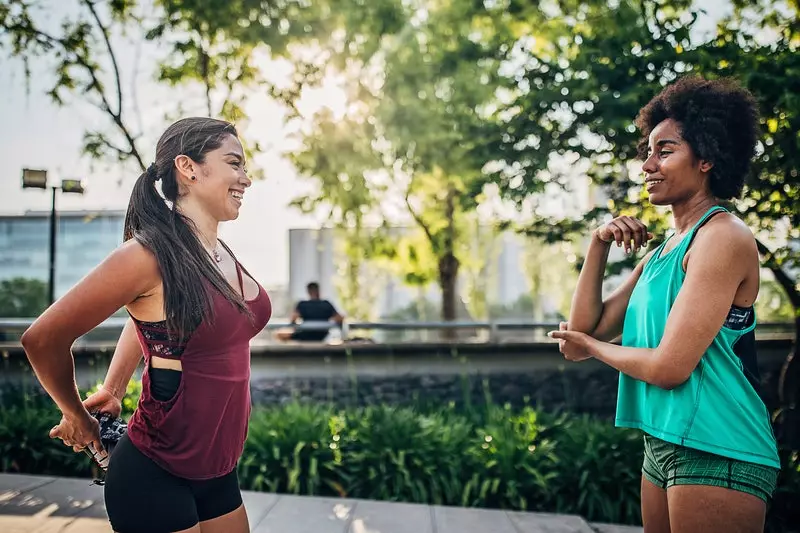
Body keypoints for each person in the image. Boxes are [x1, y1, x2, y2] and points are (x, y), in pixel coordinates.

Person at [548, 76, 780, 533]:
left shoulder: (723, 237)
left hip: (719, 446)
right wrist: (597, 244)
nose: (648, 165)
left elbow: (669, 367)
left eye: (665, 150)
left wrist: (592, 347)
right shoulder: (662, 252)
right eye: (647, 152)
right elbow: (578, 339)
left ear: (708, 158)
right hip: (664, 441)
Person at [21, 117, 272, 533]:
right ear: (188, 168)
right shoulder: (145, 254)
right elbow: (42, 338)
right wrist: (76, 417)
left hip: (216, 470)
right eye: (234, 163)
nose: (246, 178)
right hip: (154, 473)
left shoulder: (217, 252)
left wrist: (113, 387)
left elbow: (154, 314)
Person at [275, 282, 344, 342]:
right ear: (318, 291)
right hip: (322, 335)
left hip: (305, 335)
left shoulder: (302, 304)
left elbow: (293, 318)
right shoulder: (326, 304)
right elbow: (340, 318)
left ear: (308, 291)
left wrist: (295, 325)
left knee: (278, 334)